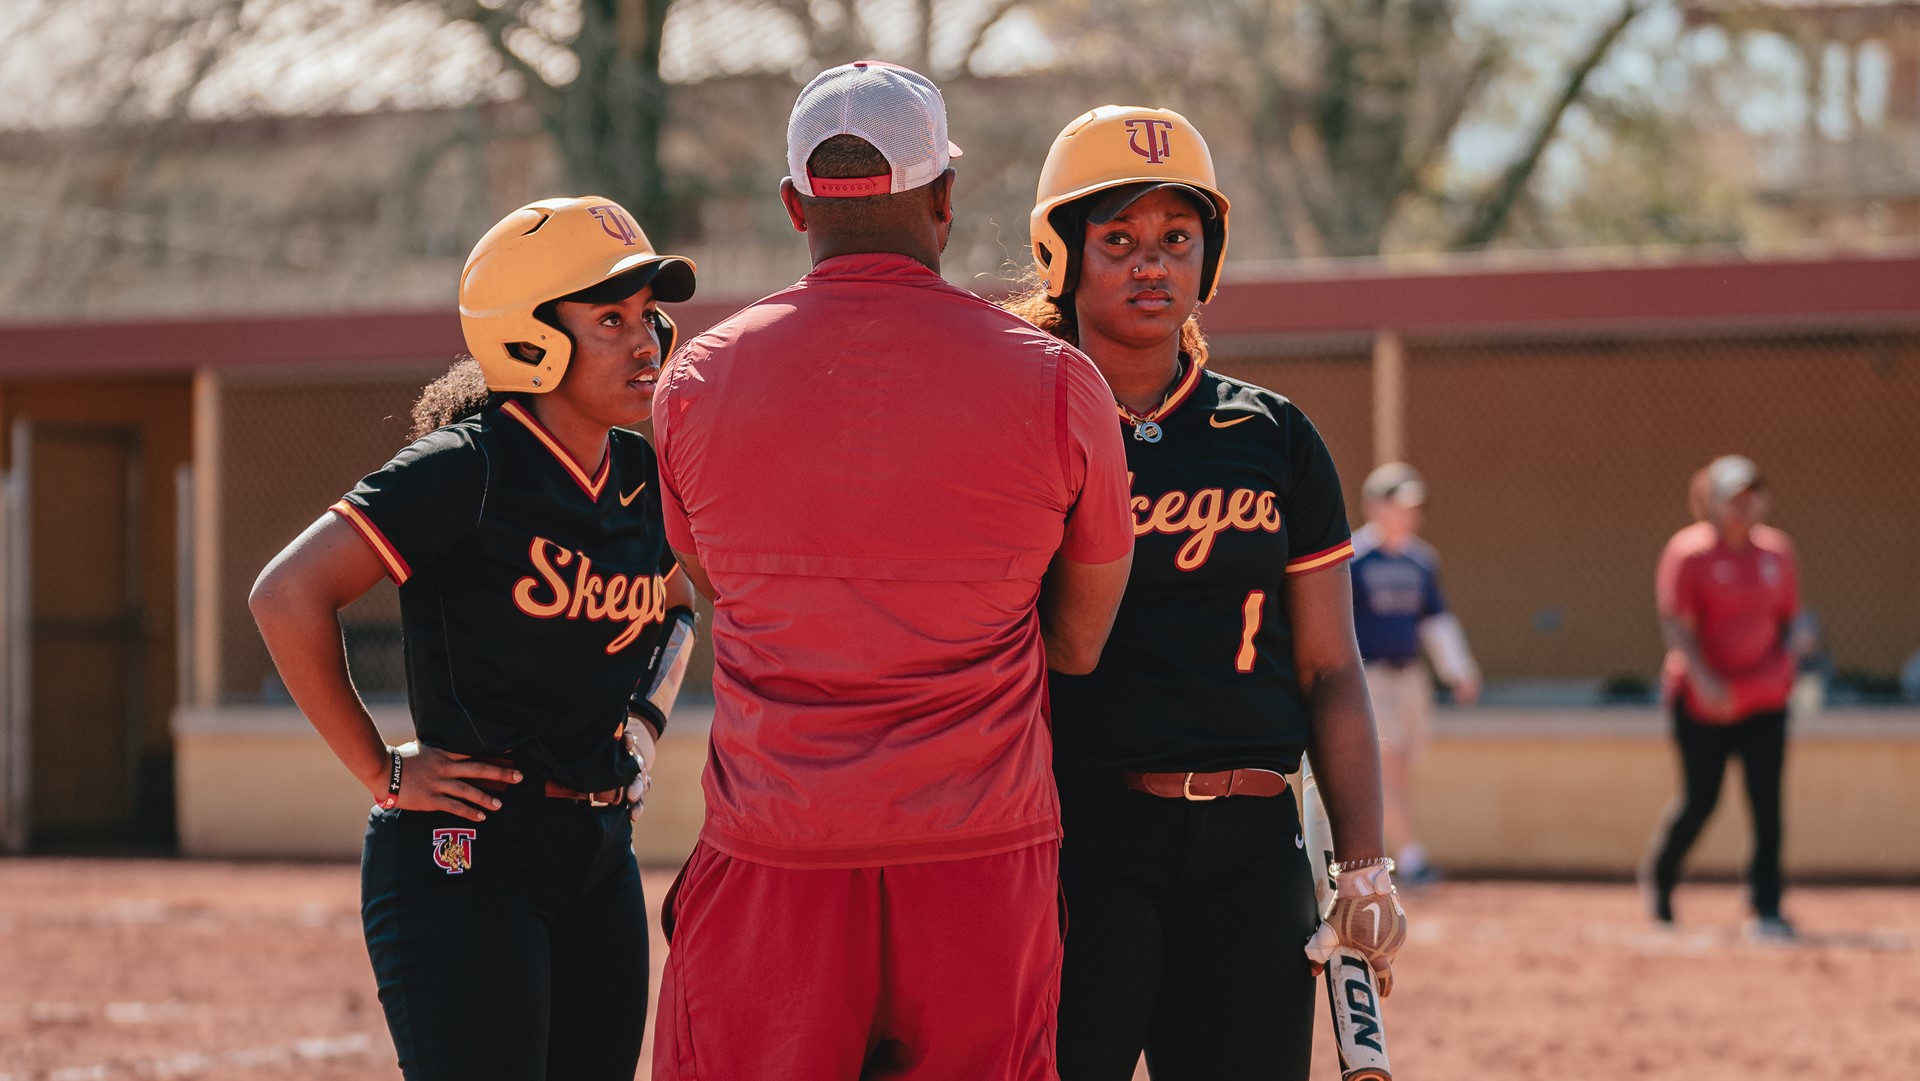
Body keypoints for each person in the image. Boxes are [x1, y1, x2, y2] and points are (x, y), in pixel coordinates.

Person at [647, 62, 1134, 1081]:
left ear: (794, 205)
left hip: (774, 850)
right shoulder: (1058, 380)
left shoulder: (692, 381)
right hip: (978, 856)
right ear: (946, 199)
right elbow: (1079, 641)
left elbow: (711, 585)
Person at [248, 196, 700, 1081]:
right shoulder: (469, 464)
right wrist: (383, 771)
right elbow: (286, 593)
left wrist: (646, 721)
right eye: (610, 318)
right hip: (468, 857)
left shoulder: (645, 470)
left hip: (600, 857)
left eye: (649, 315)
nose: (646, 341)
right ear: (528, 339)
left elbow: (678, 605)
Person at [1002, 105, 1404, 1081]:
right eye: (1120, 240)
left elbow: (1328, 664)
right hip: (1078, 838)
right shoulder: (1016, 424)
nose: (1152, 264)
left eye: (1177, 239)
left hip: (1252, 846)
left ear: (1208, 257)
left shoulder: (1273, 436)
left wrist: (1365, 862)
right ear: (1062, 255)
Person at [1644, 454, 1808, 940]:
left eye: (1751, 496)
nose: (1744, 506)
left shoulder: (1777, 552)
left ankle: (1767, 904)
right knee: (1700, 801)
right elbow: (1676, 623)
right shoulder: (1690, 553)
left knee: (1766, 802)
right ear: (1710, 503)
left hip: (1763, 700)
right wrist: (1704, 681)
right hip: (1702, 702)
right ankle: (1662, 879)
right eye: (1733, 498)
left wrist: (1786, 669)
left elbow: (1787, 622)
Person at [1350, 461, 1481, 887]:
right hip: (1372, 677)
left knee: (1401, 766)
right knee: (1388, 767)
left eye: (1412, 507)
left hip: (1410, 678)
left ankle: (1395, 856)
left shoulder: (1420, 560)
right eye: (1398, 506)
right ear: (1373, 506)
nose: (1409, 514)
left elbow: (1435, 620)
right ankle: (1408, 858)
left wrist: (1458, 671)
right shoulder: (1354, 558)